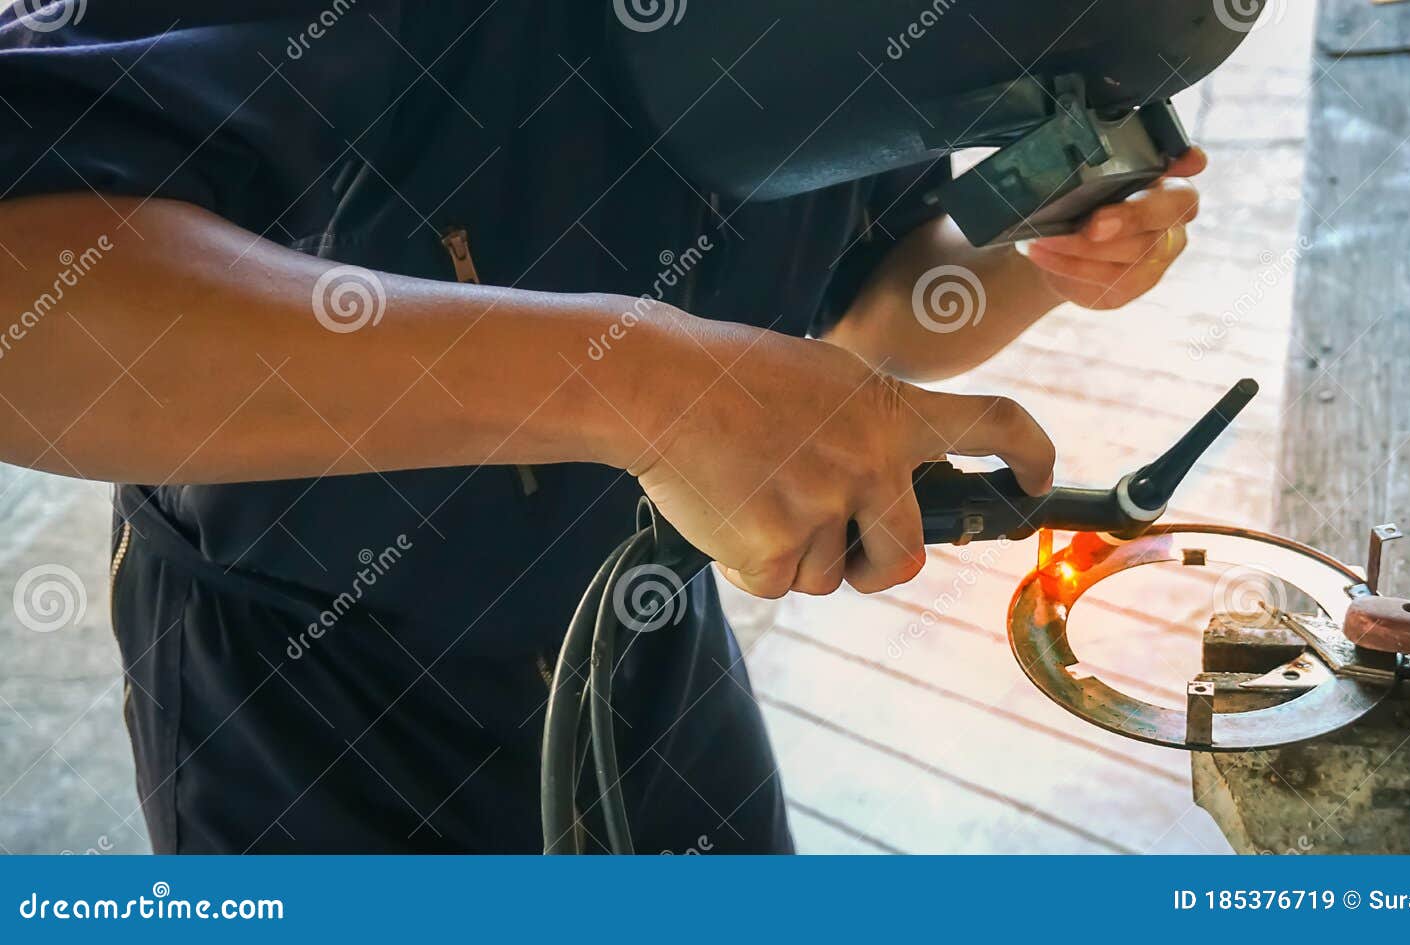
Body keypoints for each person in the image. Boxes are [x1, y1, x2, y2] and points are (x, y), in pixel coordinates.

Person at [0, 3, 1202, 853]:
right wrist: (643, 384)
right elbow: (32, 308)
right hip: (316, 684)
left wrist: (1042, 258)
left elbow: (858, 326)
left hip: (642, 632)